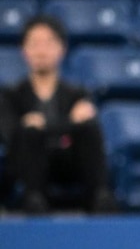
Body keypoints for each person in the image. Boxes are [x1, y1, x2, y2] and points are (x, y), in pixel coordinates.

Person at [0, 15, 115, 214]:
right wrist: (69, 123)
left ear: (62, 49)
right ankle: (33, 201)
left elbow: (84, 126)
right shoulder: (11, 95)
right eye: (34, 43)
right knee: (28, 135)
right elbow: (11, 134)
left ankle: (100, 199)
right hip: (28, 166)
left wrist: (41, 125)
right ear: (24, 50)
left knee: (89, 129)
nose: (41, 50)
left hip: (68, 162)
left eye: (48, 43)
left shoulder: (77, 93)